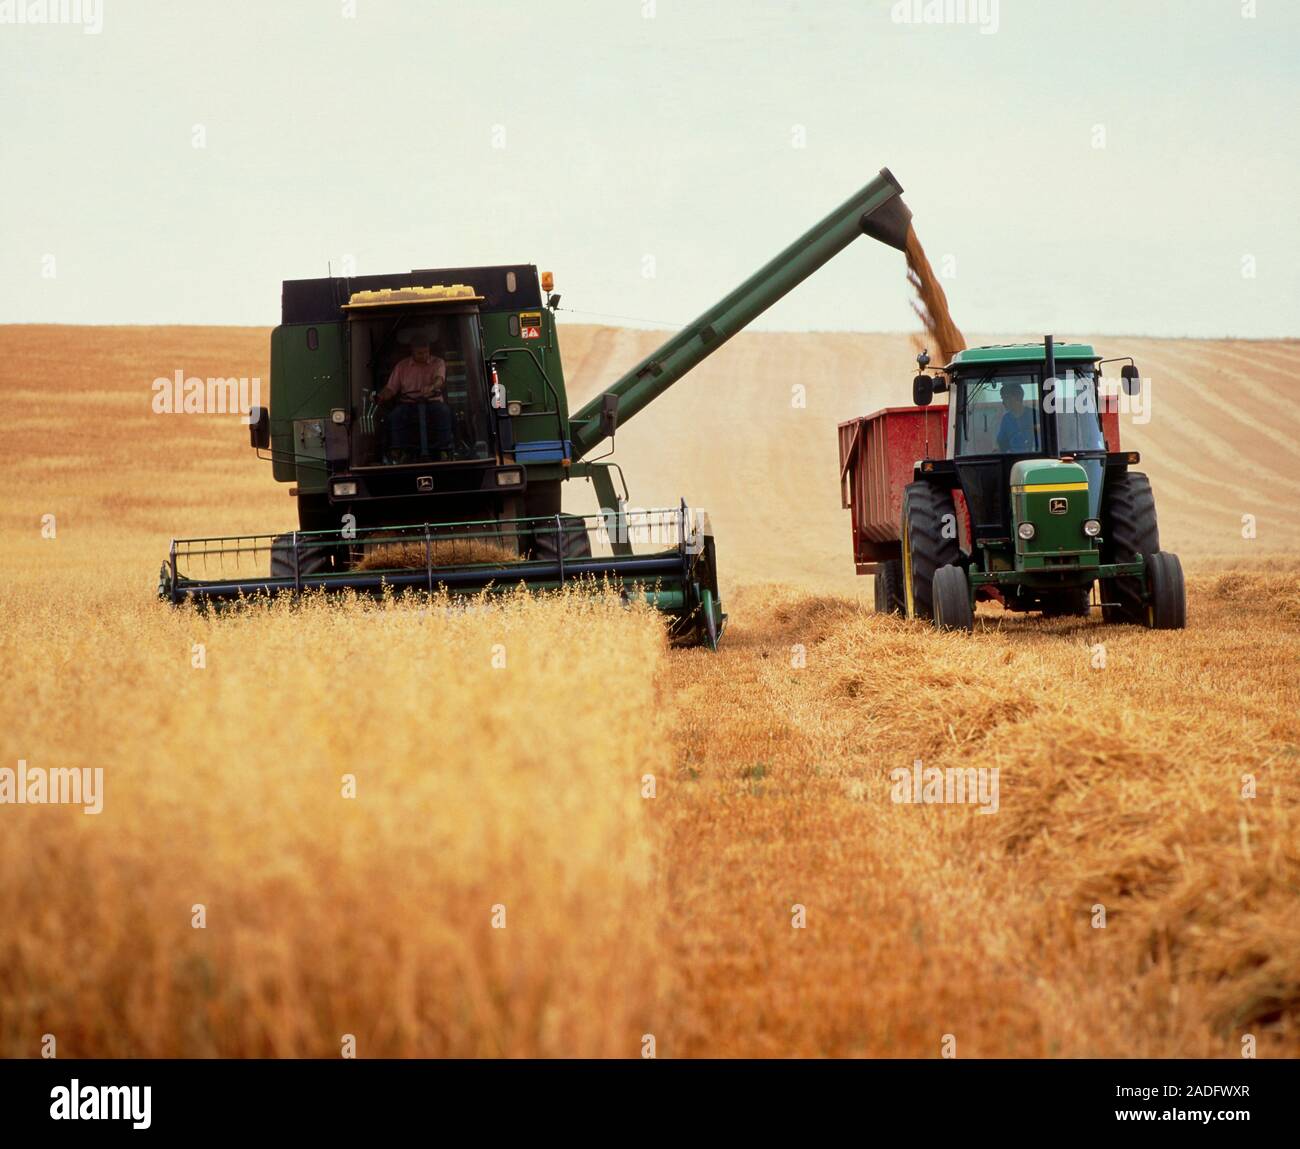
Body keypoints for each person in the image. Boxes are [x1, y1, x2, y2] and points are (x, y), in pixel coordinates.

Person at [379, 335, 452, 461]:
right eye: (419, 353)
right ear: (412, 351)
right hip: (409, 404)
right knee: (395, 415)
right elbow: (391, 388)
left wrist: (432, 387)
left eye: (426, 352)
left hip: (432, 403)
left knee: (444, 412)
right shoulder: (402, 366)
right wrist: (382, 395)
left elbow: (439, 379)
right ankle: (398, 450)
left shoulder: (438, 362)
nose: (423, 355)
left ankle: (443, 450)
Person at [995, 381, 1037, 453]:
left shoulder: (1034, 415)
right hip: (1012, 459)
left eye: (1005, 398)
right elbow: (1001, 443)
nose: (1003, 402)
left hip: (1033, 458)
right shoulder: (1006, 419)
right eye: (1002, 399)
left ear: (1016, 397)